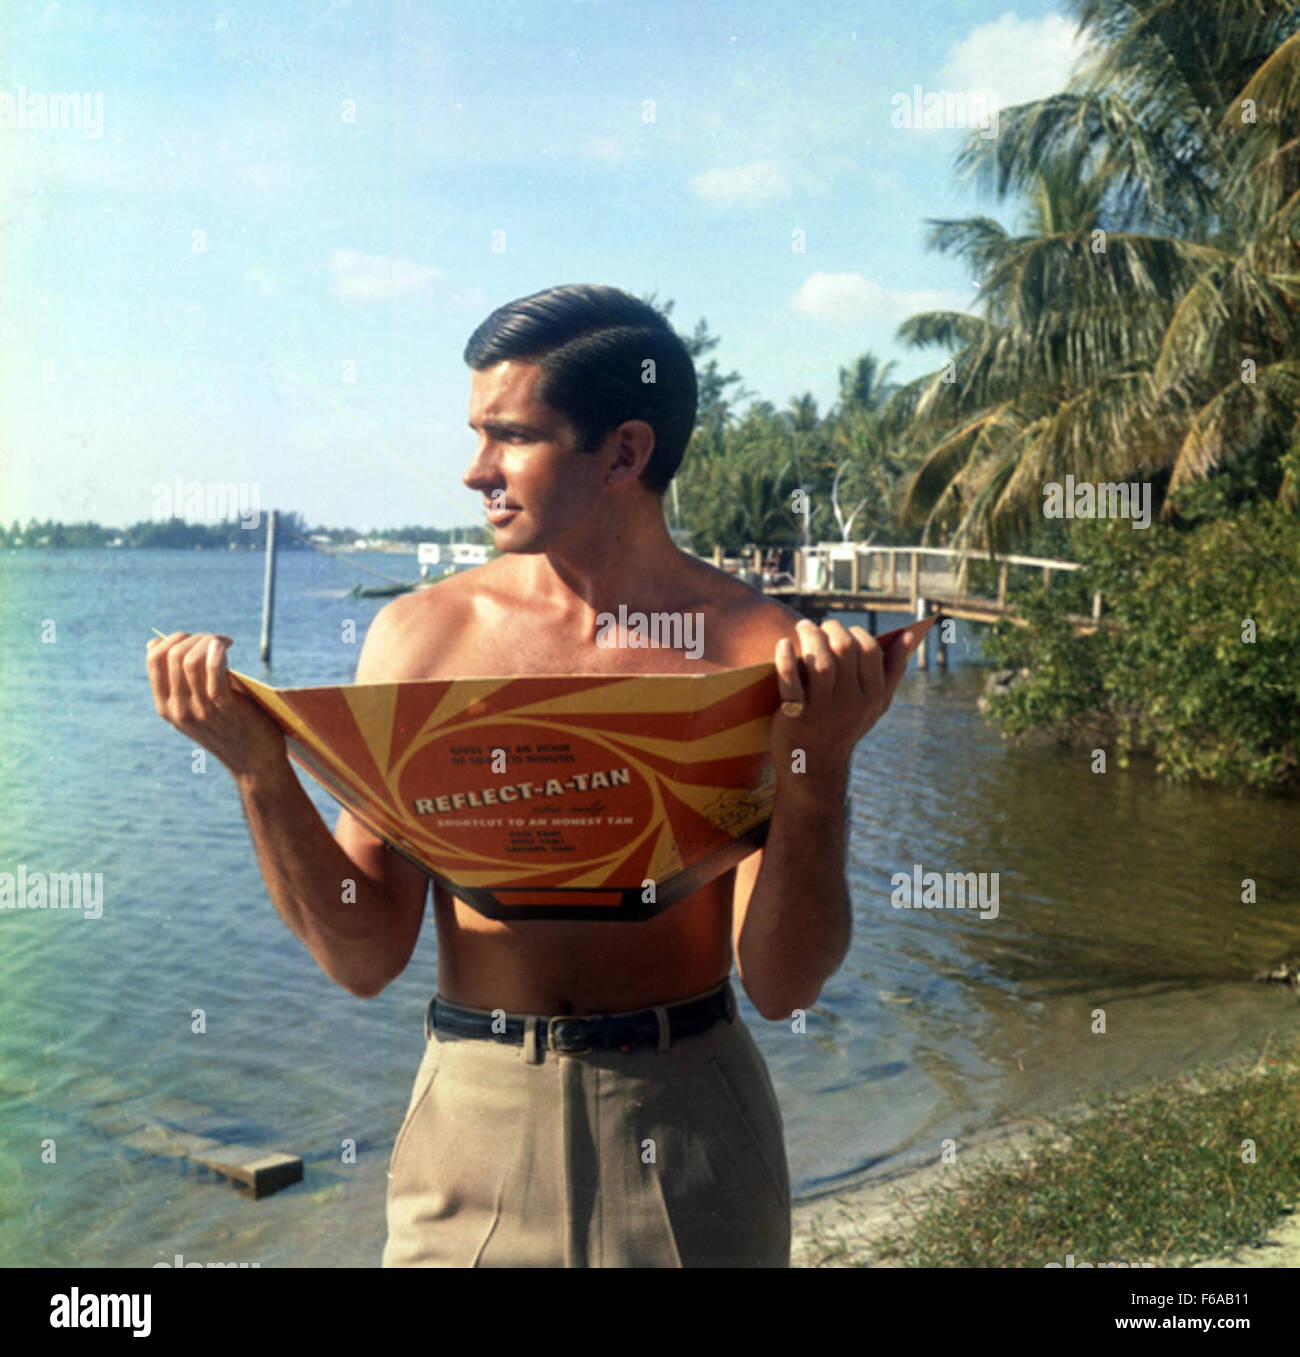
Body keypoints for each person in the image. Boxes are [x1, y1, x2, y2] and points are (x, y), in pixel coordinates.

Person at [146, 284, 930, 1267]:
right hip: (470, 1124)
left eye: (510, 435)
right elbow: (361, 954)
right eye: (477, 433)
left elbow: (782, 980)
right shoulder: (420, 639)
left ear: (625, 452)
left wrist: (820, 771)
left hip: (687, 1115)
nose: (476, 469)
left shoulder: (755, 651)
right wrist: (261, 773)